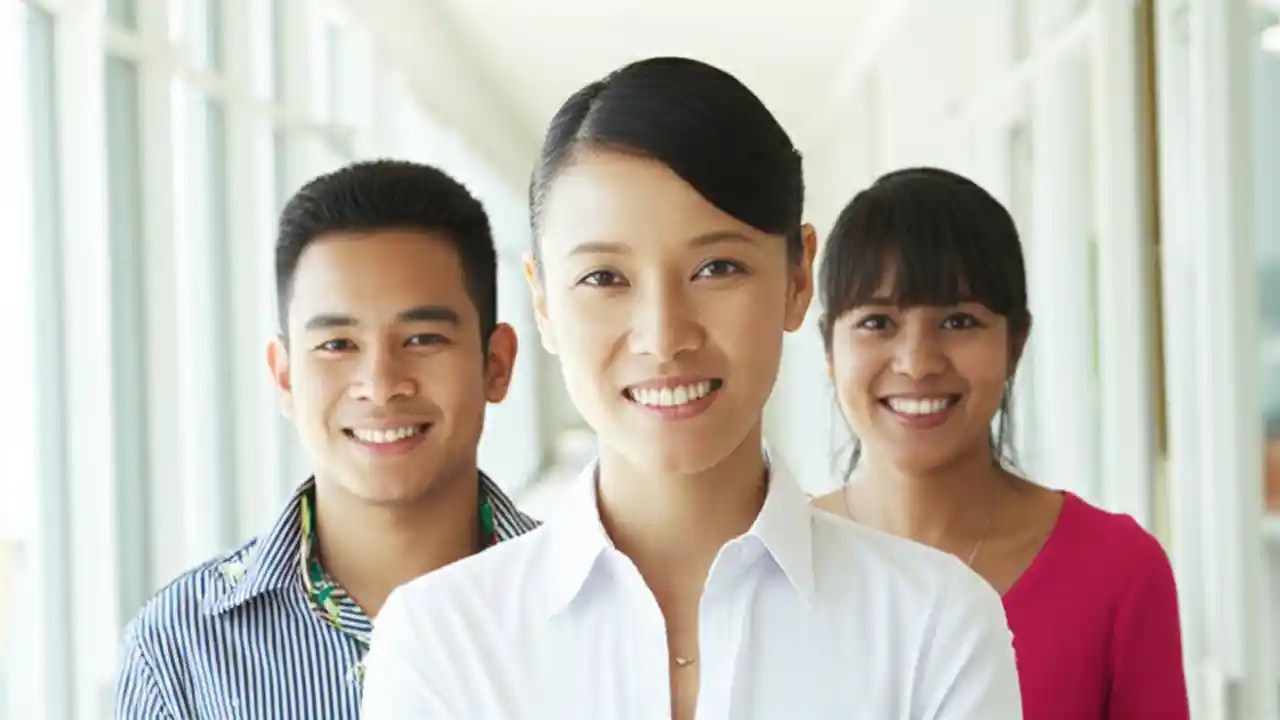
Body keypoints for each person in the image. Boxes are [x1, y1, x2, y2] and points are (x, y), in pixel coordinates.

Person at [361, 58, 1021, 719]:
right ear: (542, 303)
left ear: (797, 280)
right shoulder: (441, 640)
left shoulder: (936, 627)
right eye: (603, 278)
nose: (664, 336)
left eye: (717, 267)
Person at [114, 160, 538, 718]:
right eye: (337, 345)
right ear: (285, 377)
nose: (381, 386)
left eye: (422, 338)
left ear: (496, 364)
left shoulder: (600, 607)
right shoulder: (182, 649)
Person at [811, 167, 1189, 718]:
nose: (917, 363)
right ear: (829, 348)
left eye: (959, 321)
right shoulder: (767, 567)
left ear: (1015, 344)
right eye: (877, 322)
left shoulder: (1119, 572)